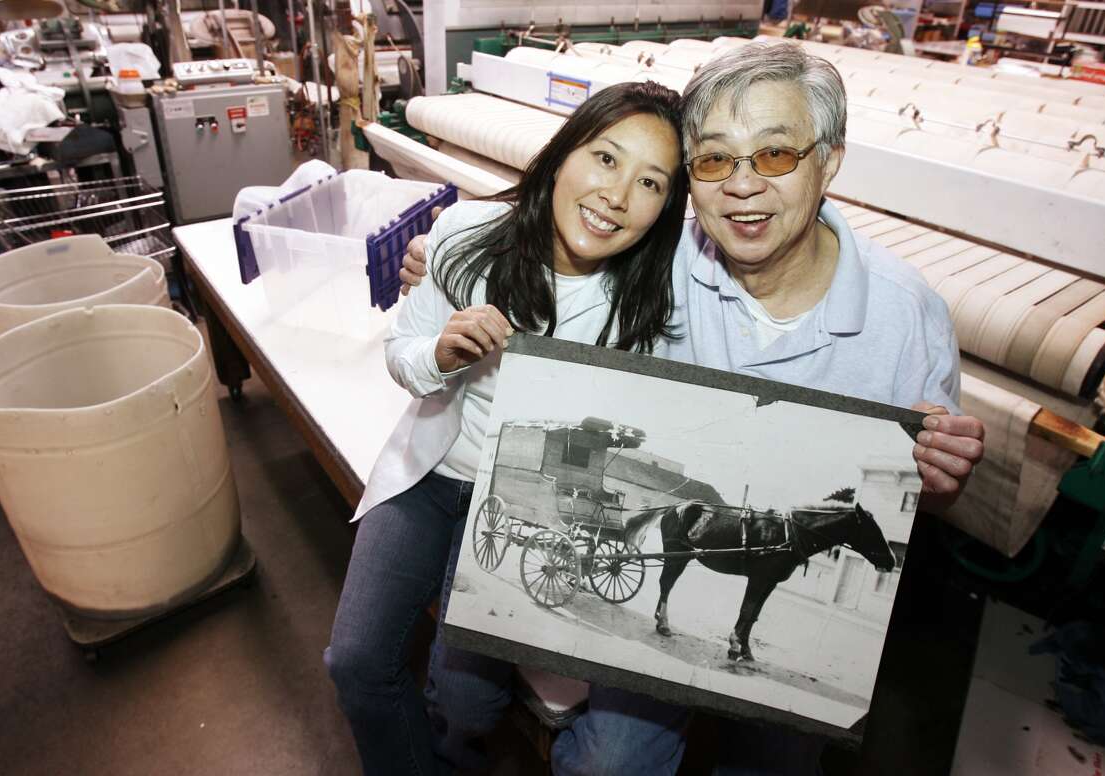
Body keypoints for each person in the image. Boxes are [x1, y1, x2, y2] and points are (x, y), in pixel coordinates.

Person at [396, 41, 986, 774]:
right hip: (652, 575)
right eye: (713, 160)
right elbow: (547, 252)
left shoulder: (908, 319)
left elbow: (914, 494)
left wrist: (940, 478)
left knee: (777, 757)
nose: (742, 187)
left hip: (811, 654)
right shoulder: (656, 258)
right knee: (608, 765)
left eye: (774, 155)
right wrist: (443, 260)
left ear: (829, 161)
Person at [323, 80, 690, 776]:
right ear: (562, 154)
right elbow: (402, 355)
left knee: (465, 703)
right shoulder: (466, 235)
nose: (617, 195)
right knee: (357, 661)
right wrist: (440, 351)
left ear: (667, 206)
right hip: (435, 476)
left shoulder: (649, 305)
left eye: (650, 182)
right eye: (605, 159)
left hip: (536, 507)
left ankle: (453, 745)